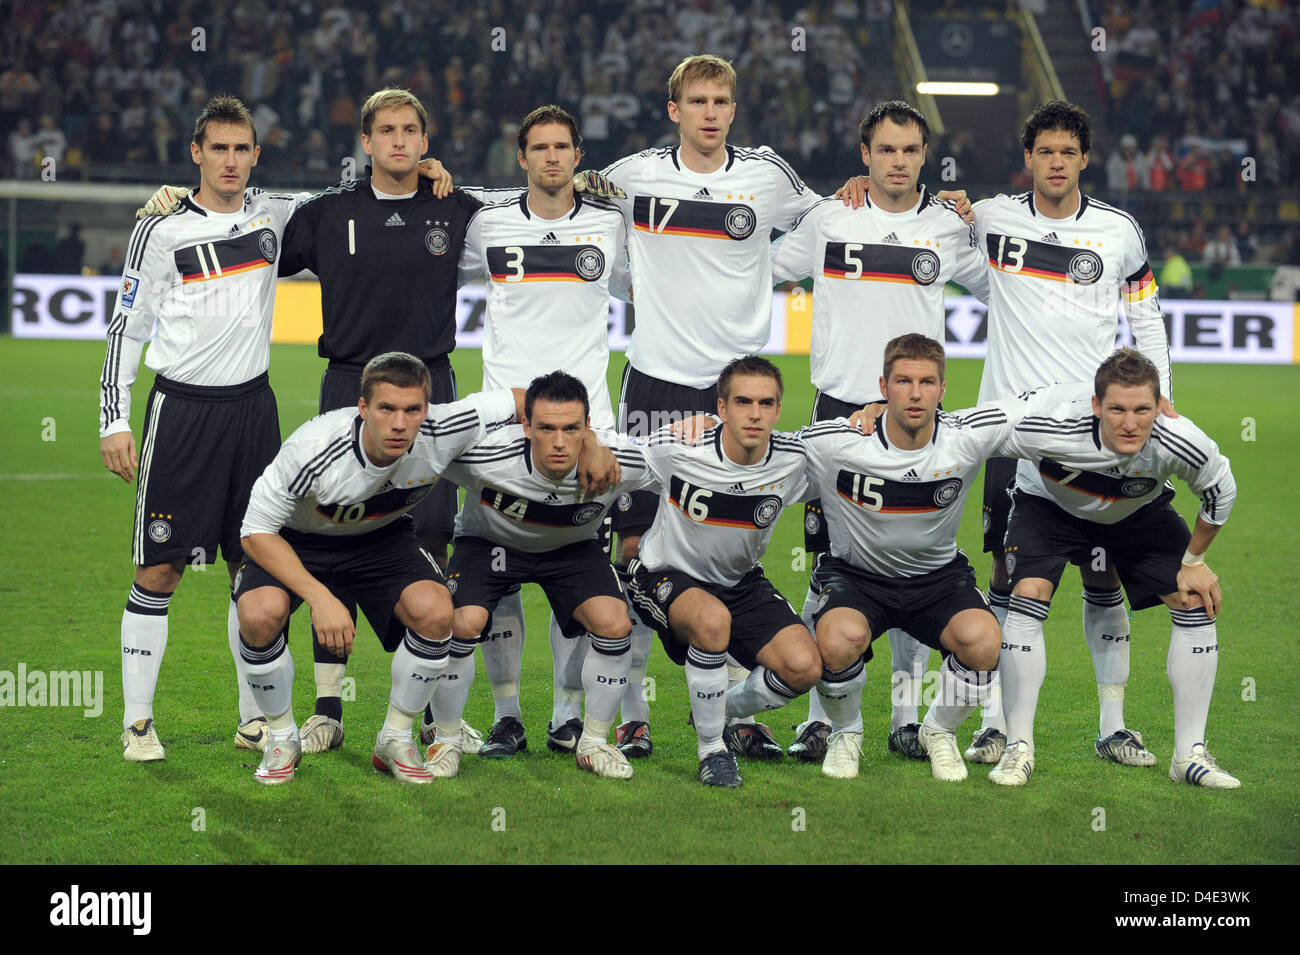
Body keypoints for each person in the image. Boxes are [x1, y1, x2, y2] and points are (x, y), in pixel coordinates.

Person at [599, 54, 824, 762]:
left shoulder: (768, 175)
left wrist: (765, 266)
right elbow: (591, 238)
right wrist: (638, 284)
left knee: (734, 544)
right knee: (636, 548)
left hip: (733, 387)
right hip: (657, 384)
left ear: (733, 107)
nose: (710, 112)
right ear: (674, 109)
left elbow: (825, 224)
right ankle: (633, 712)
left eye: (721, 100)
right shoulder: (632, 175)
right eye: (696, 100)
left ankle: (732, 703)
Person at [770, 100, 989, 763]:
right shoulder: (832, 215)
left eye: (910, 149)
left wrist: (974, 218)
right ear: (864, 155)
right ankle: (820, 715)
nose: (898, 160)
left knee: (910, 554)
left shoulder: (947, 227)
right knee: (825, 567)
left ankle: (902, 713)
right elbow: (762, 268)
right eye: (886, 149)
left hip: (914, 412)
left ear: (926, 156)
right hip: (838, 414)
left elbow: (1000, 287)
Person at [99, 95, 307, 762]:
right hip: (182, 412)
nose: (231, 160)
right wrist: (114, 418)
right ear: (196, 153)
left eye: (242, 148)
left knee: (255, 564)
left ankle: (254, 718)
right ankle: (137, 723)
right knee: (160, 567)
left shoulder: (274, 215)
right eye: (218, 148)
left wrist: (434, 173)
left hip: (254, 412)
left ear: (255, 154)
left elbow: (354, 195)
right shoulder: (161, 229)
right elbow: (125, 326)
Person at [970, 100, 1174, 769]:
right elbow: (915, 216)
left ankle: (1112, 725)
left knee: (1103, 572)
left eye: (1068, 152)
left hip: (1096, 434)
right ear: (1027, 159)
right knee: (1006, 572)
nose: (1056, 163)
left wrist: (1158, 393)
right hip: (1009, 432)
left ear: (1085, 158)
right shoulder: (993, 218)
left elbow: (1145, 317)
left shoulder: (1118, 232)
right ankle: (995, 722)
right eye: (1044, 152)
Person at [273, 88, 474, 757]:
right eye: (385, 130)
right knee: (332, 536)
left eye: (410, 130)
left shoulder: (457, 207)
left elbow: (532, 203)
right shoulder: (328, 213)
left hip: (430, 388)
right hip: (348, 387)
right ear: (365, 141)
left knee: (431, 538)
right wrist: (171, 197)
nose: (397, 141)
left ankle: (416, 715)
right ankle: (328, 706)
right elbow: (248, 223)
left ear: (425, 140)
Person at [233, 353, 526, 784]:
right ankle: (281, 738)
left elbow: (527, 400)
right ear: (363, 408)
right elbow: (255, 531)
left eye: (412, 410)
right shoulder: (313, 449)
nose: (400, 423)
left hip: (381, 539)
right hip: (298, 540)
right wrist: (321, 597)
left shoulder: (447, 426)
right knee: (258, 613)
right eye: (386, 409)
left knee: (436, 610)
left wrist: (590, 442)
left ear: (427, 409)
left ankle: (395, 737)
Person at [447, 105, 632, 759]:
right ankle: (506, 716)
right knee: (497, 575)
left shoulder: (610, 227)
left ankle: (565, 714)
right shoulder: (488, 226)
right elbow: (437, 260)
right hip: (503, 428)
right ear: (520, 158)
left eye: (563, 146)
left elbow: (651, 291)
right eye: (539, 148)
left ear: (578, 155)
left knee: (574, 573)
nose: (552, 157)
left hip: (587, 433)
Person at [988, 348, 1238, 788]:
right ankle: (1018, 747)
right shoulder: (1047, 420)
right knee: (1028, 592)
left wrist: (1194, 561)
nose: (1130, 423)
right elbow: (971, 428)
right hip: (1049, 505)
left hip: (1135, 510)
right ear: (1096, 405)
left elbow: (1221, 491)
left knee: (1196, 599)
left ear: (1160, 407)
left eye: (1143, 409)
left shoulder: (1179, 439)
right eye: (1117, 409)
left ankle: (1189, 756)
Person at [425, 371, 655, 779]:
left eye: (572, 429)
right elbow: (423, 439)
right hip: (489, 544)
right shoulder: (485, 455)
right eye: (546, 428)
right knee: (461, 622)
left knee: (615, 621)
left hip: (570, 549)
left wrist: (701, 428)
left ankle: (595, 742)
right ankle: (445, 739)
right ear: (526, 426)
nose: (560, 441)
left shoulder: (620, 462)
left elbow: (681, 459)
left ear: (588, 428)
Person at [800, 335, 1009, 783]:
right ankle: (846, 733)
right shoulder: (838, 442)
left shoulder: (965, 438)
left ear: (942, 388)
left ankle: (938, 731)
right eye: (904, 381)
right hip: (858, 579)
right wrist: (702, 432)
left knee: (985, 641)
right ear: (883, 386)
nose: (915, 393)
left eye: (927, 382)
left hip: (935, 579)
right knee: (836, 639)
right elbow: (767, 451)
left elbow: (1034, 410)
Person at [626, 356, 824, 787]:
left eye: (766, 403)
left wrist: (874, 412)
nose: (755, 414)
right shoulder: (678, 447)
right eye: (743, 402)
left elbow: (850, 452)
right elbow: (614, 461)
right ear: (722, 407)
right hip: (665, 575)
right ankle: (712, 750)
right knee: (712, 620)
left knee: (803, 666)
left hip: (740, 582)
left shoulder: (794, 461)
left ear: (777, 409)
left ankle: (722, 708)